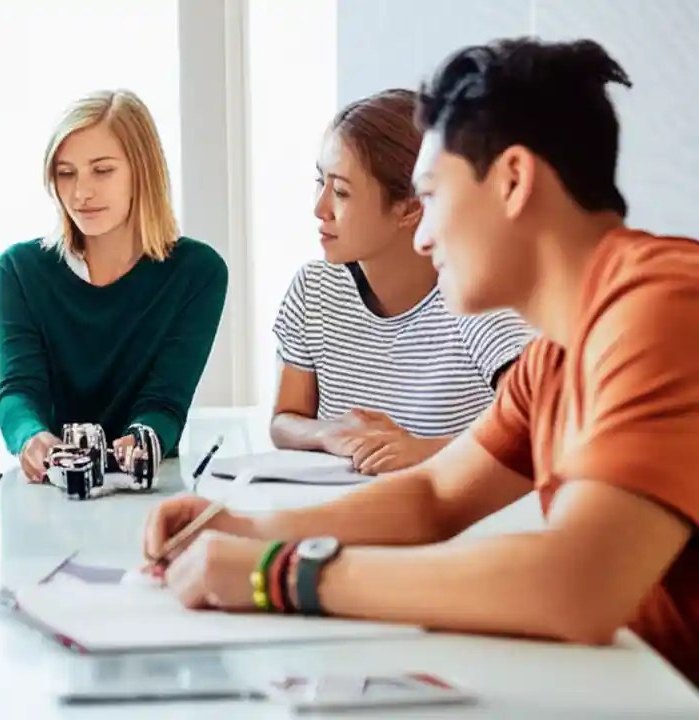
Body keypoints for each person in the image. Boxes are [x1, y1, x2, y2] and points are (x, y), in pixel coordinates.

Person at [143, 37, 699, 686]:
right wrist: (241, 527)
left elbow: (576, 584)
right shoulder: (555, 356)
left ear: (514, 181)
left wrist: (280, 574)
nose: (425, 234)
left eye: (431, 195)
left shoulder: (665, 307)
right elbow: (433, 496)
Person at [271, 88, 533, 475]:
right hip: (345, 516)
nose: (319, 208)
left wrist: (426, 450)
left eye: (341, 191)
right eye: (320, 181)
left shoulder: (474, 298)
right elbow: (284, 421)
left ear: (409, 209)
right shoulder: (313, 289)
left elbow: (542, 426)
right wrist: (326, 432)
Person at [0, 90, 228, 483]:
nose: (81, 193)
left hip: (150, 490)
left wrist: (145, 438)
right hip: (50, 492)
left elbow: (166, 400)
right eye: (66, 173)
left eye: (102, 170)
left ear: (143, 170)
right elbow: (19, 389)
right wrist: (30, 437)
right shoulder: (19, 270)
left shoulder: (199, 273)